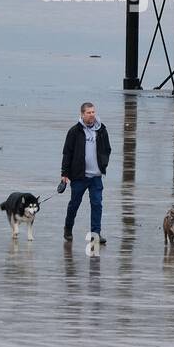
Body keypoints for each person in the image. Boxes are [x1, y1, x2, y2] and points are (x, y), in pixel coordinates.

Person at [60, 102, 111, 244]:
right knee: (74, 204)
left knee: (97, 204)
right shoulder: (74, 131)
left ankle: (96, 234)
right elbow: (67, 153)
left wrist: (103, 164)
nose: (92, 115)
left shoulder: (101, 130)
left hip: (96, 176)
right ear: (82, 114)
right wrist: (64, 174)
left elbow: (107, 149)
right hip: (79, 176)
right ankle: (68, 228)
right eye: (88, 113)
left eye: (93, 112)